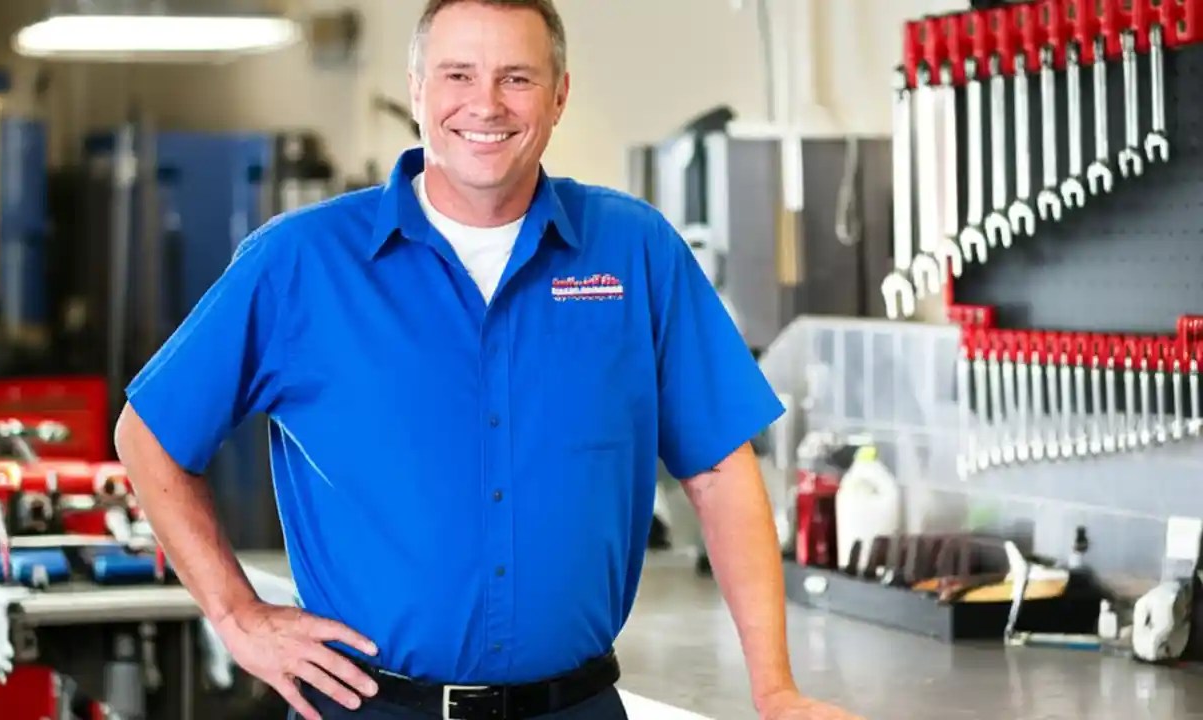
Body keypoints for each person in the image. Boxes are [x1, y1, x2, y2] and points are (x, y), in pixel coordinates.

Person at [114, 1, 861, 719]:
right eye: (458, 75)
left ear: (559, 95)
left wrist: (776, 691)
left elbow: (720, 469)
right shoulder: (300, 262)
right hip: (370, 710)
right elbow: (148, 437)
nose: (487, 104)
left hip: (577, 708)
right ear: (417, 91)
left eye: (517, 77)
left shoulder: (635, 251)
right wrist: (237, 615)